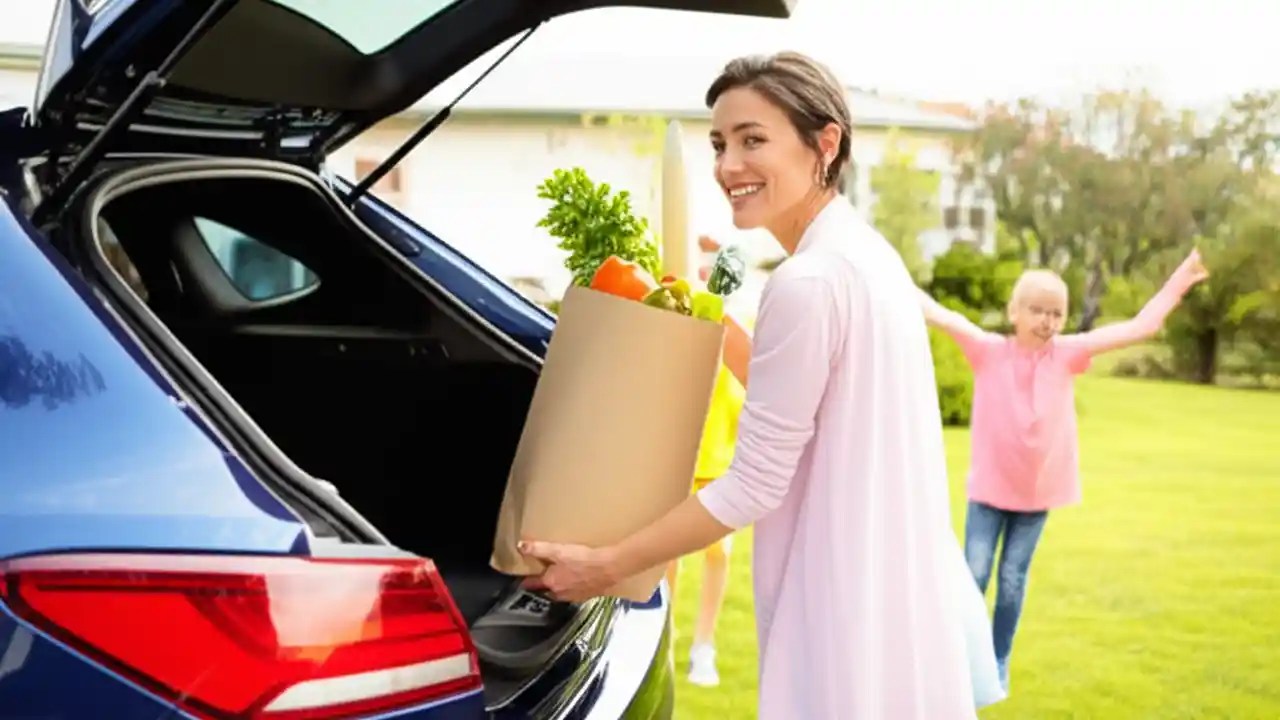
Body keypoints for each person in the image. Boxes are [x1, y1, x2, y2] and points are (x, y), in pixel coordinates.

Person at [518, 50, 995, 719]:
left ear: (824, 143)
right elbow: (813, 399)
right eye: (719, 144)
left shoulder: (809, 280)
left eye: (752, 140)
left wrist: (606, 565)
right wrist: (695, 320)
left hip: (836, 607)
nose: (727, 166)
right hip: (889, 600)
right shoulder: (867, 258)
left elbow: (753, 482)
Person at [916, 252, 1210, 693]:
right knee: (974, 574)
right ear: (1015, 312)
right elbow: (936, 312)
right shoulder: (988, 351)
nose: (1048, 320)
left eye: (1057, 313)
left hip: (1036, 498)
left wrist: (1183, 277)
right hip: (990, 492)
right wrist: (874, 265)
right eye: (1037, 310)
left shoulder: (1069, 354)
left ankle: (998, 661)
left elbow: (1139, 328)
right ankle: (959, 657)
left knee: (1012, 582)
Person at [666, 356, 746, 687]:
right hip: (682, 465)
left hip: (718, 471)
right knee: (668, 557)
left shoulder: (738, 351)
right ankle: (666, 637)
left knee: (719, 554)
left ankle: (703, 644)